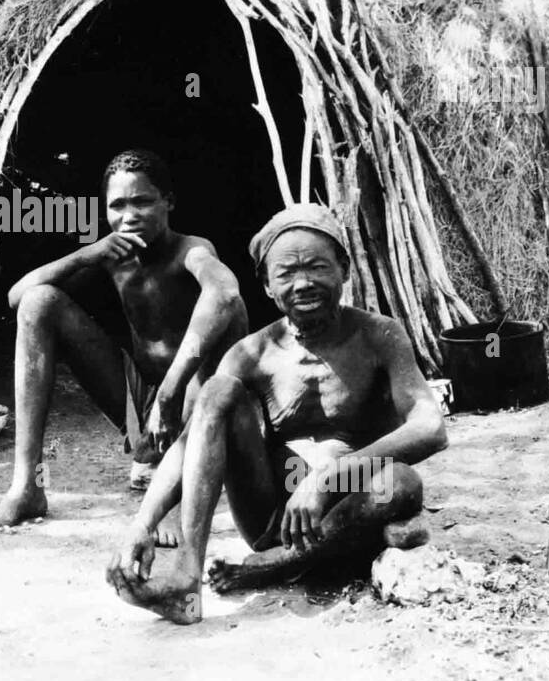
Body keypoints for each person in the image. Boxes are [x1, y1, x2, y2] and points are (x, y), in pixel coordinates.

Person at [107, 203, 446, 624]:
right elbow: (188, 443)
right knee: (217, 390)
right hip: (273, 519)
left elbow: (430, 426)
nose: (303, 283)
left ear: (344, 270)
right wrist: (142, 523)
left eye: (317, 267)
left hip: (355, 504)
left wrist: (328, 478)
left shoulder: (380, 336)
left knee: (401, 482)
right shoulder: (253, 353)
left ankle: (280, 565)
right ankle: (186, 575)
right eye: (286, 273)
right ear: (267, 286)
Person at [0, 149, 248, 526]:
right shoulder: (113, 258)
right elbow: (17, 297)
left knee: (232, 310)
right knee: (39, 302)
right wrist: (86, 255)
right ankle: (28, 485)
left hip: (191, 396)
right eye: (118, 205)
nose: (129, 215)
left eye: (142, 201)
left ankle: (185, 468)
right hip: (143, 404)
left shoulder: (191, 250)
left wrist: (170, 392)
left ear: (168, 202)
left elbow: (224, 292)